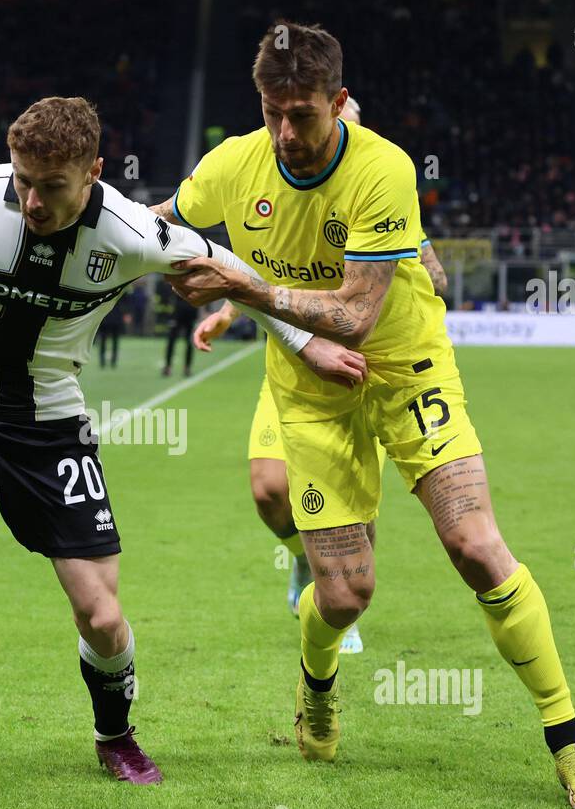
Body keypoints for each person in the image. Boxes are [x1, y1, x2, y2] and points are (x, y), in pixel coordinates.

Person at [159, 22, 575, 809]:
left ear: (340, 103)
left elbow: (355, 316)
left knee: (475, 544)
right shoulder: (232, 165)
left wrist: (242, 291)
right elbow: (158, 224)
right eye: (271, 111)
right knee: (344, 595)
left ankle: (569, 740)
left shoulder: (383, 170)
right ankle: (318, 684)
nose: (284, 131)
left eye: (301, 113)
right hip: (311, 394)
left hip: (407, 369)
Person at [0, 95, 364, 791]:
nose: (32, 201)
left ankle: (115, 737)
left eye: (52, 186)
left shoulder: (133, 232)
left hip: (50, 431)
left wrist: (306, 341)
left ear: (94, 172)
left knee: (101, 618)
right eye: (23, 180)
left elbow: (234, 271)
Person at [193, 95, 450, 653]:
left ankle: (343, 609)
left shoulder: (378, 194)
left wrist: (404, 270)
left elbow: (436, 281)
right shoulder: (283, 190)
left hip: (360, 369)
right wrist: (228, 312)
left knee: (352, 505)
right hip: (292, 362)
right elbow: (269, 274)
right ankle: (304, 564)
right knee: (268, 491)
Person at [160, 284, 197, 377]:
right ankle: (168, 366)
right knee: (171, 340)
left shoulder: (196, 275)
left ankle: (187, 367)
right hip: (178, 312)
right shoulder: (179, 274)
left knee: (189, 341)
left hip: (190, 311)